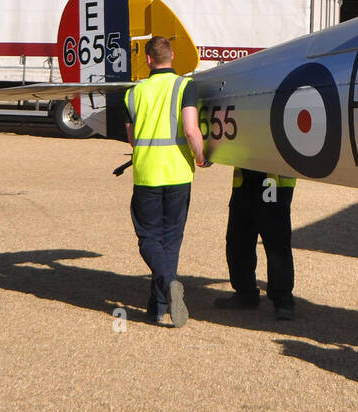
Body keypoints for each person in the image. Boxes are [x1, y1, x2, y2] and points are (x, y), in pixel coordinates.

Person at [124, 36, 206, 327]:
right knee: (171, 239)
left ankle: (160, 301)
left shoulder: (133, 93)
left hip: (146, 173)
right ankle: (161, 299)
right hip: (178, 173)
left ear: (148, 59)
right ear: (172, 56)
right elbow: (191, 129)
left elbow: (133, 138)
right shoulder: (186, 86)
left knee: (148, 238)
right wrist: (201, 157)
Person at [215, 169, 298, 320]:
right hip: (245, 180)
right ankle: (245, 293)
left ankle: (283, 300)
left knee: (276, 243)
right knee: (238, 239)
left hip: (273, 182)